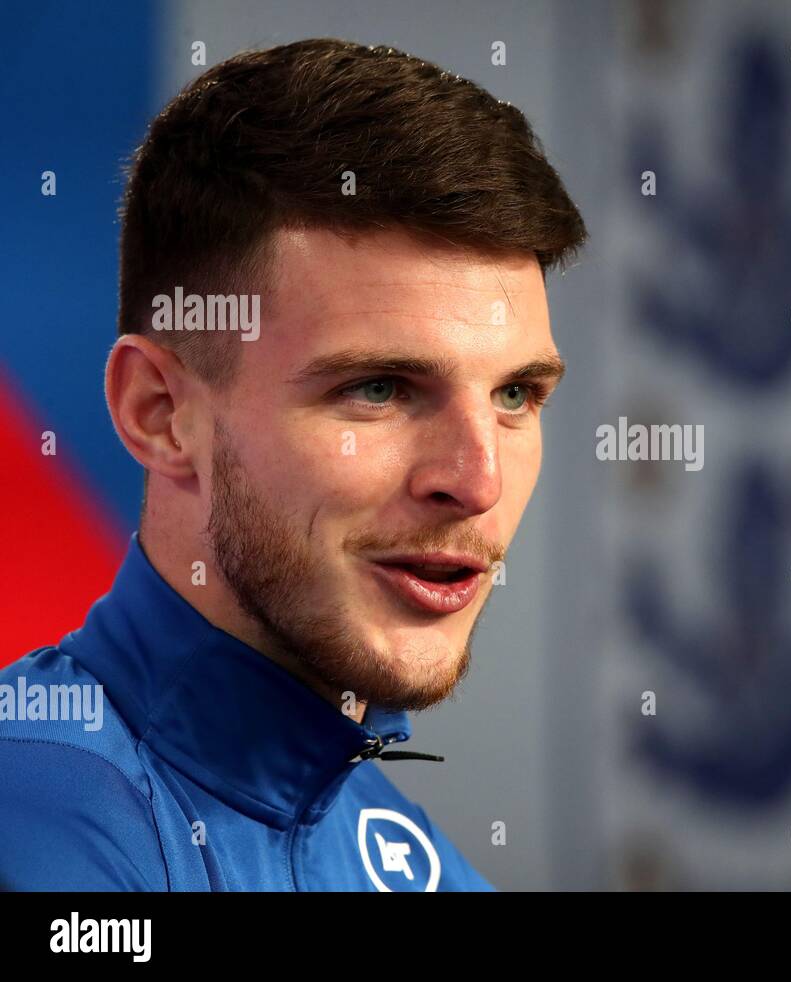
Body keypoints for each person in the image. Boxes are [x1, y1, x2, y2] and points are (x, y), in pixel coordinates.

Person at [0, 37, 586, 891]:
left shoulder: (412, 862)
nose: (478, 481)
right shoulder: (35, 824)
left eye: (515, 396)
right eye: (380, 389)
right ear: (159, 415)